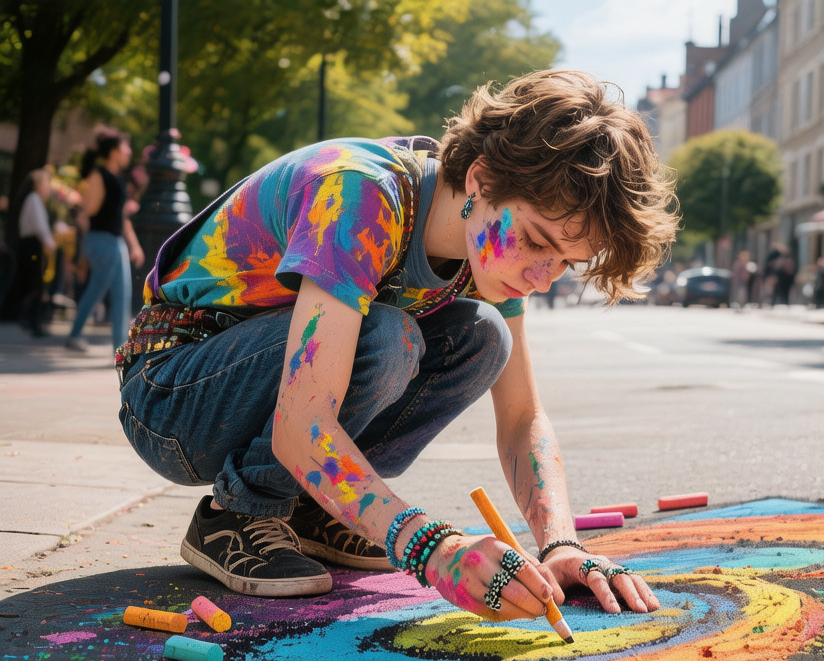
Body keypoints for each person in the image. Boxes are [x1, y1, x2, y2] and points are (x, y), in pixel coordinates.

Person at [117, 71, 676, 622]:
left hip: (239, 389)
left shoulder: (486, 251)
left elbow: (523, 413)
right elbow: (300, 423)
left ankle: (312, 511)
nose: (541, 276)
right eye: (535, 242)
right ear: (480, 179)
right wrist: (431, 547)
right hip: (171, 393)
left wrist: (561, 546)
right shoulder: (359, 196)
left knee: (482, 335)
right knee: (388, 336)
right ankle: (237, 513)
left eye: (565, 263)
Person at [67, 129, 145, 353]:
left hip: (115, 241)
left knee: (113, 292)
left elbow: (121, 217)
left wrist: (135, 245)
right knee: (107, 292)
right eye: (125, 147)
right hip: (101, 240)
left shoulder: (118, 180)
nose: (129, 152)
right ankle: (117, 348)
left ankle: (118, 348)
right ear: (113, 152)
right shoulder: (98, 175)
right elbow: (89, 210)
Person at [12, 169, 57, 337]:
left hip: (30, 244)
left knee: (31, 281)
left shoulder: (33, 199)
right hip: (32, 245)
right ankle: (32, 320)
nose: (49, 189)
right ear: (39, 184)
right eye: (47, 184)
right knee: (35, 283)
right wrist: (50, 243)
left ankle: (29, 319)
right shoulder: (34, 199)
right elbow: (40, 226)